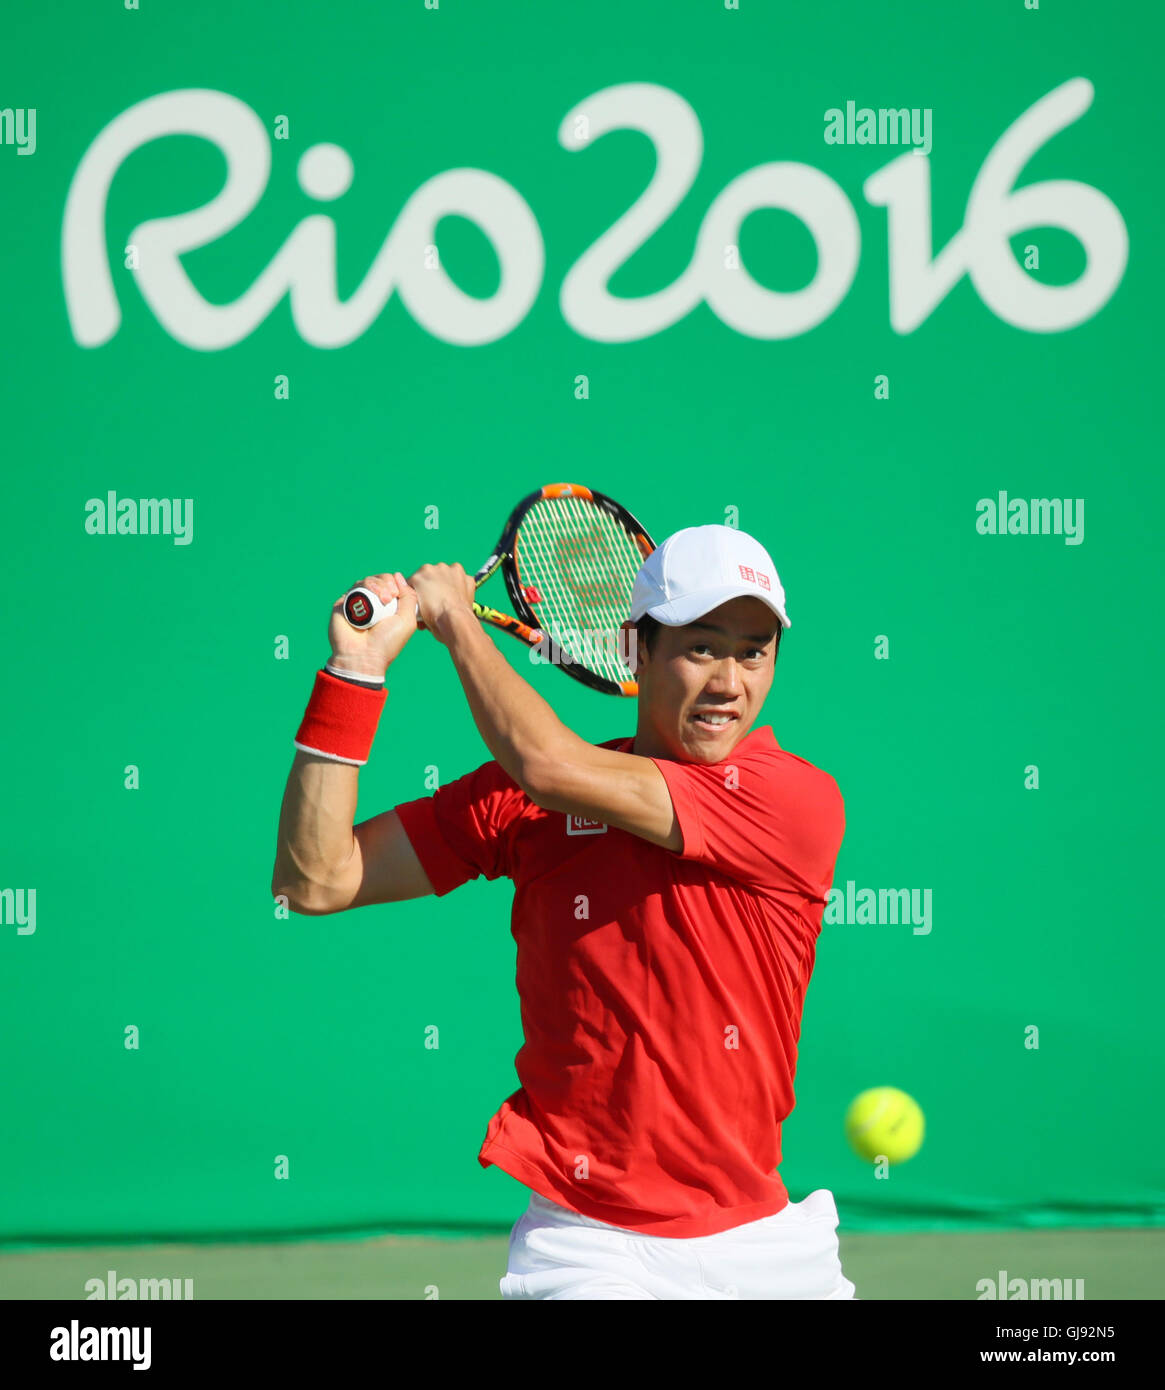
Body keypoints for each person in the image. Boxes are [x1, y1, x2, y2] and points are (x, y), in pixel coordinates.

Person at [272, 523, 855, 1299]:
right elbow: (314, 879)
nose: (728, 682)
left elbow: (548, 764)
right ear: (636, 651)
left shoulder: (791, 800)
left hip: (765, 1247)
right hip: (589, 1248)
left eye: (753, 651)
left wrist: (452, 623)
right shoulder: (520, 803)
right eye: (702, 647)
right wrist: (353, 675)